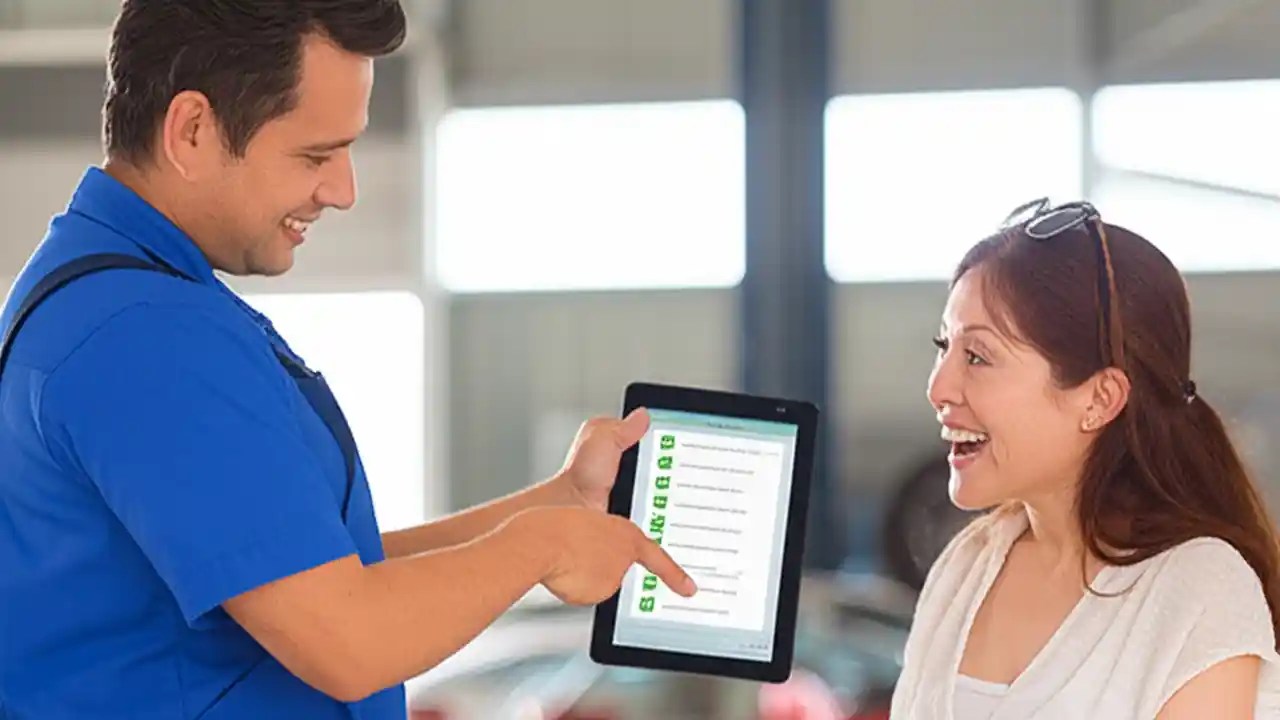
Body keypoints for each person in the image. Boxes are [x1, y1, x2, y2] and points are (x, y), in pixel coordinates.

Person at [0, 2, 695, 718]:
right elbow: (347, 638)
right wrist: (539, 547)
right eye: (315, 154)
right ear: (193, 131)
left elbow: (322, 582)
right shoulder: (143, 335)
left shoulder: (112, 305)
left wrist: (556, 504)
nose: (343, 190)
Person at [889, 198, 1280, 719]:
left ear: (1099, 400)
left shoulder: (1198, 593)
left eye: (977, 356)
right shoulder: (966, 567)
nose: (939, 387)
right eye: (945, 345)